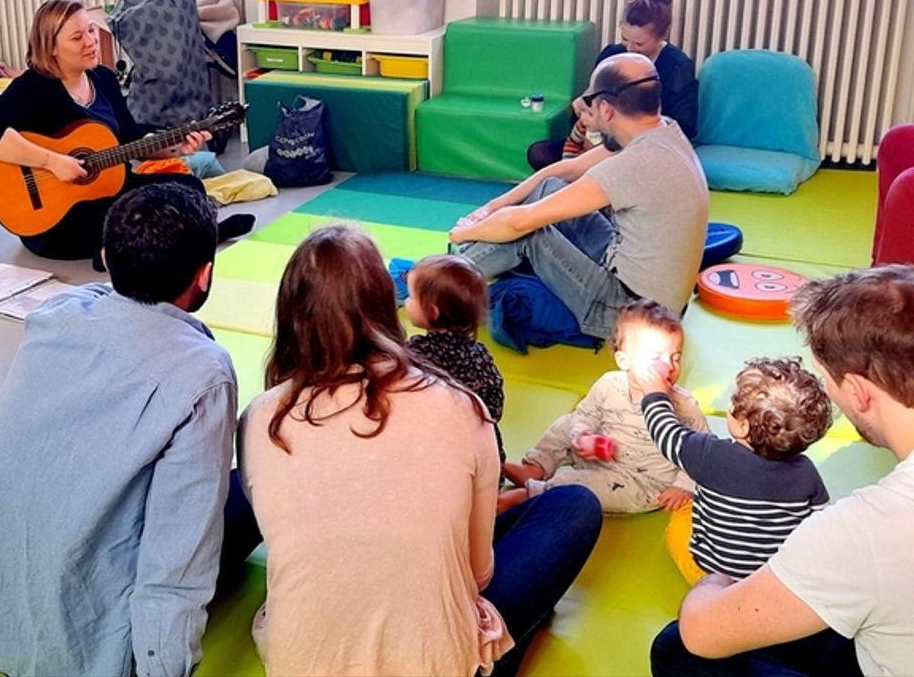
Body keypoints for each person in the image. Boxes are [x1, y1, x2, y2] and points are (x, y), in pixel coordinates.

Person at [0, 182, 260, 677]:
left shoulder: (58, 314)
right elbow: (179, 554)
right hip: (75, 645)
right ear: (204, 274)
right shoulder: (201, 374)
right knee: (250, 485)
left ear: (103, 256)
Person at [238, 225, 602, 676]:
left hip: (301, 660)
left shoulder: (259, 419)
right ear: (383, 308)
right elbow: (478, 575)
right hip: (434, 660)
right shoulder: (458, 406)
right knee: (574, 505)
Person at [651, 265, 914, 677]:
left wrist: (712, 583)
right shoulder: (810, 479)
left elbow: (702, 632)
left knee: (676, 647)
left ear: (860, 393)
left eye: (828, 382)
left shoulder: (871, 527)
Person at [0, 0, 253, 262]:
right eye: (77, 37)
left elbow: (133, 139)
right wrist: (53, 162)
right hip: (54, 219)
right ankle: (176, 243)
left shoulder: (103, 79)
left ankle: (132, 251)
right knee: (119, 219)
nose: (91, 42)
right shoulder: (34, 87)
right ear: (51, 47)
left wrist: (177, 146)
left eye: (91, 31)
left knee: (188, 187)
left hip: (108, 190)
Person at [450, 52, 709, 340]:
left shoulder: (636, 164)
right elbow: (566, 171)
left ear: (607, 109)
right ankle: (451, 266)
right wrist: (493, 206)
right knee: (549, 189)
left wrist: (465, 233)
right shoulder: (662, 130)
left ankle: (440, 282)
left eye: (592, 105)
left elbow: (521, 224)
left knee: (531, 233)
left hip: (631, 314)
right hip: (633, 274)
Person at [637, 357, 831, 584]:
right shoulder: (805, 472)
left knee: (678, 524)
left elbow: (665, 432)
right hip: (771, 581)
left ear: (742, 426)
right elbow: (820, 519)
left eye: (732, 402)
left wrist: (654, 394)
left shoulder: (709, 456)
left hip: (709, 576)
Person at [501, 300, 707, 513]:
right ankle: (535, 467)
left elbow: (702, 452)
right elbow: (586, 413)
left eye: (676, 357)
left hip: (638, 482)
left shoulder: (684, 407)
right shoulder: (610, 384)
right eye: (656, 358)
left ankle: (531, 494)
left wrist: (684, 486)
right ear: (624, 361)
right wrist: (583, 436)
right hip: (598, 456)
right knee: (566, 423)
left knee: (580, 484)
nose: (669, 366)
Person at [527, 0, 698, 170]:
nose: (630, 48)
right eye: (625, 39)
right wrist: (582, 105)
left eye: (639, 44)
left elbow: (683, 128)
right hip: (600, 142)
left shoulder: (676, 67)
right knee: (538, 153)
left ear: (662, 35)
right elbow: (588, 106)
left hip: (644, 150)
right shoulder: (611, 55)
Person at [405, 253, 506, 462]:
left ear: (432, 311)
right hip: (486, 458)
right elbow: (494, 408)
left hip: (440, 456)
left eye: (410, 297)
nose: (406, 302)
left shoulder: (415, 353)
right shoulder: (480, 354)